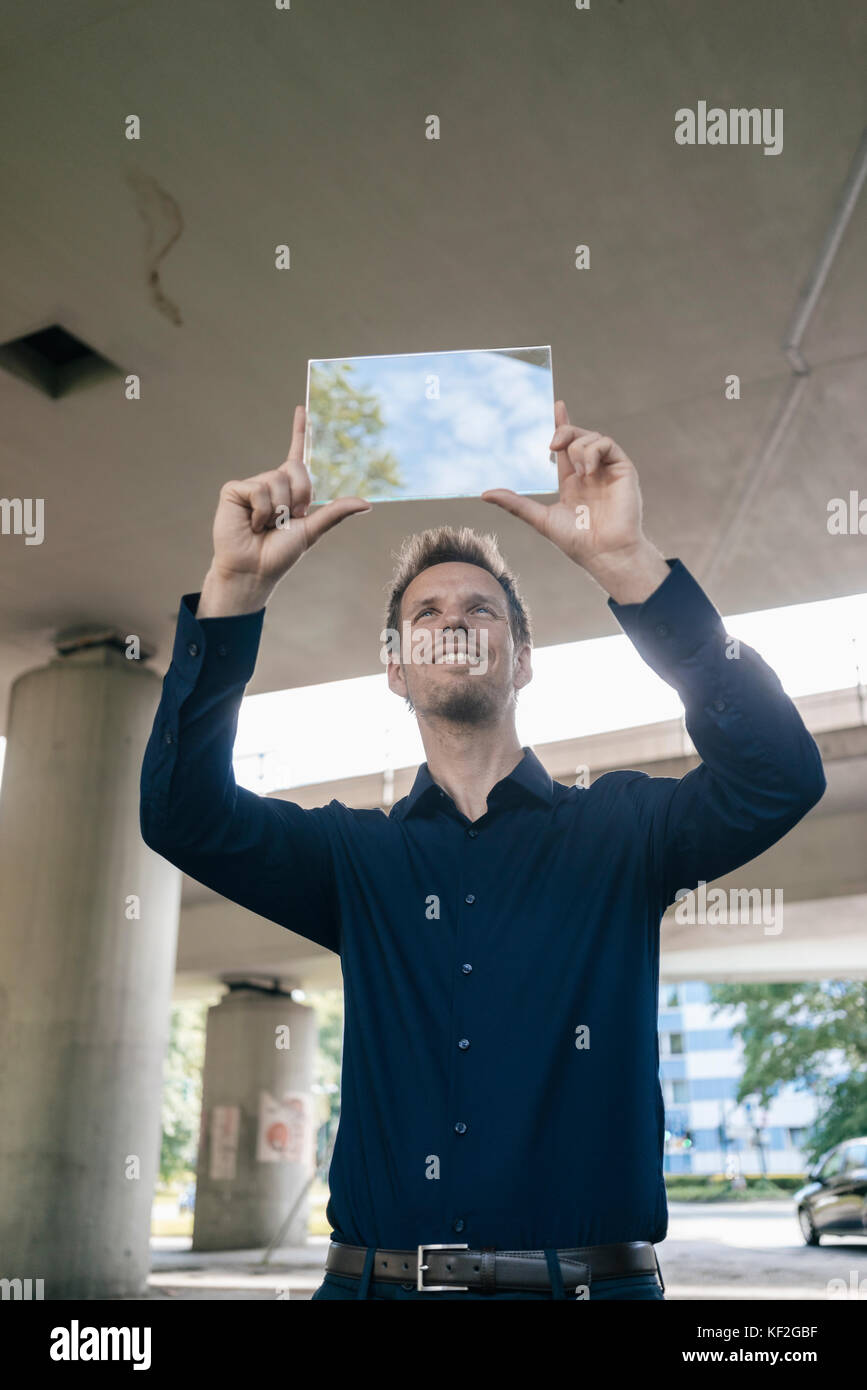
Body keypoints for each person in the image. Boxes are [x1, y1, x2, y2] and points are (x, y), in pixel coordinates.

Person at [140, 400, 825, 1300]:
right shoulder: (349, 859)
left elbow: (778, 774)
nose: (453, 618)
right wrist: (234, 591)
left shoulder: (621, 831)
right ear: (395, 666)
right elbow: (182, 813)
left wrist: (628, 566)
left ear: (523, 657)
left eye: (480, 607)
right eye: (426, 611)